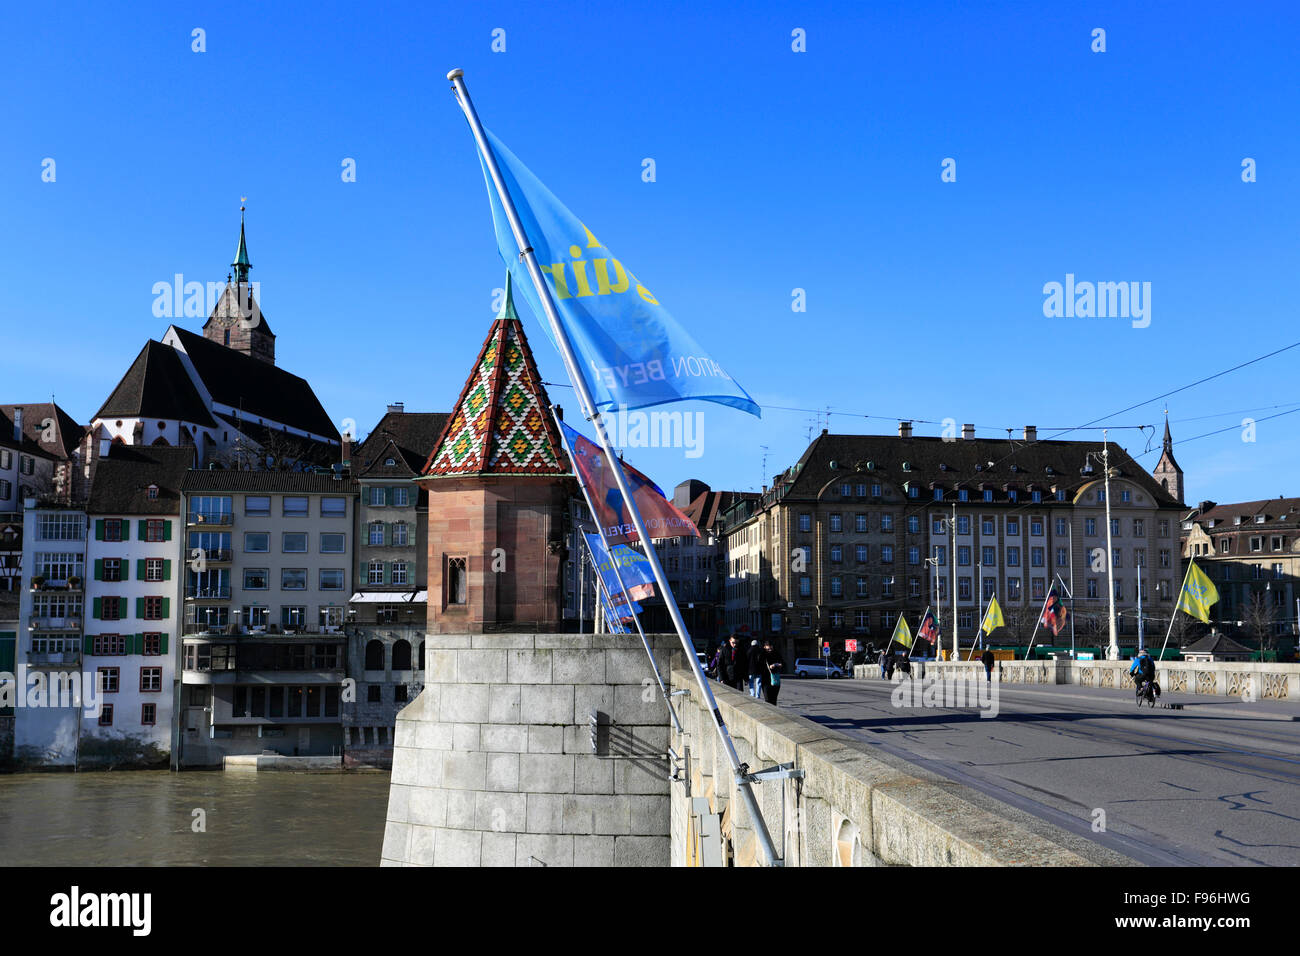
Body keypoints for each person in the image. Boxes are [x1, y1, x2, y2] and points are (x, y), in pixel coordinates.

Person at [762, 639, 783, 705]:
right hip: (765, 680)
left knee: (774, 700)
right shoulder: (762, 655)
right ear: (764, 647)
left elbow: (783, 663)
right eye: (768, 646)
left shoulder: (777, 653)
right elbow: (759, 665)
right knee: (767, 699)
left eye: (771, 646)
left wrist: (776, 664)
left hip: (775, 679)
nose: (770, 647)